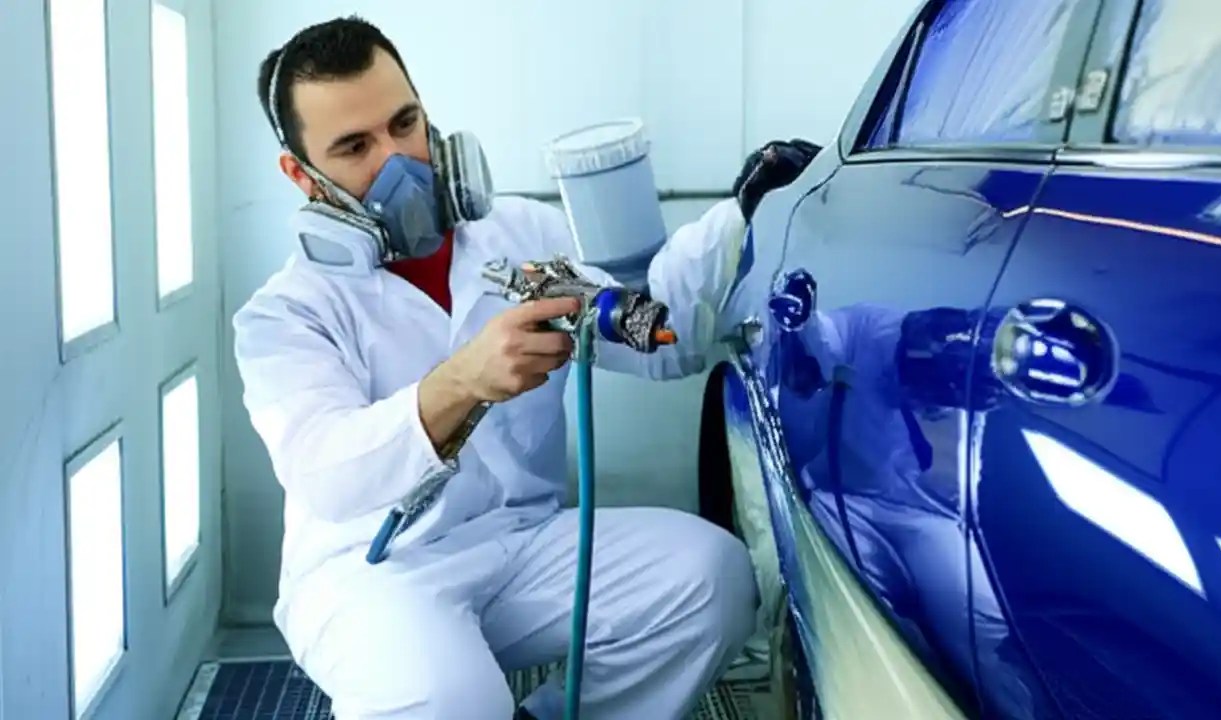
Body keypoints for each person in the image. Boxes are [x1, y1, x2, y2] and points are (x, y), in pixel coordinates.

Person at [234, 15, 820, 720]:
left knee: (713, 580)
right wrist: (462, 380)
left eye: (405, 122)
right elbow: (324, 471)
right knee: (450, 698)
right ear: (302, 176)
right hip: (372, 571)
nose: (398, 161)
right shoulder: (285, 315)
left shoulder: (518, 237)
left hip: (519, 543)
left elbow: (656, 333)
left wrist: (741, 215)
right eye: (355, 147)